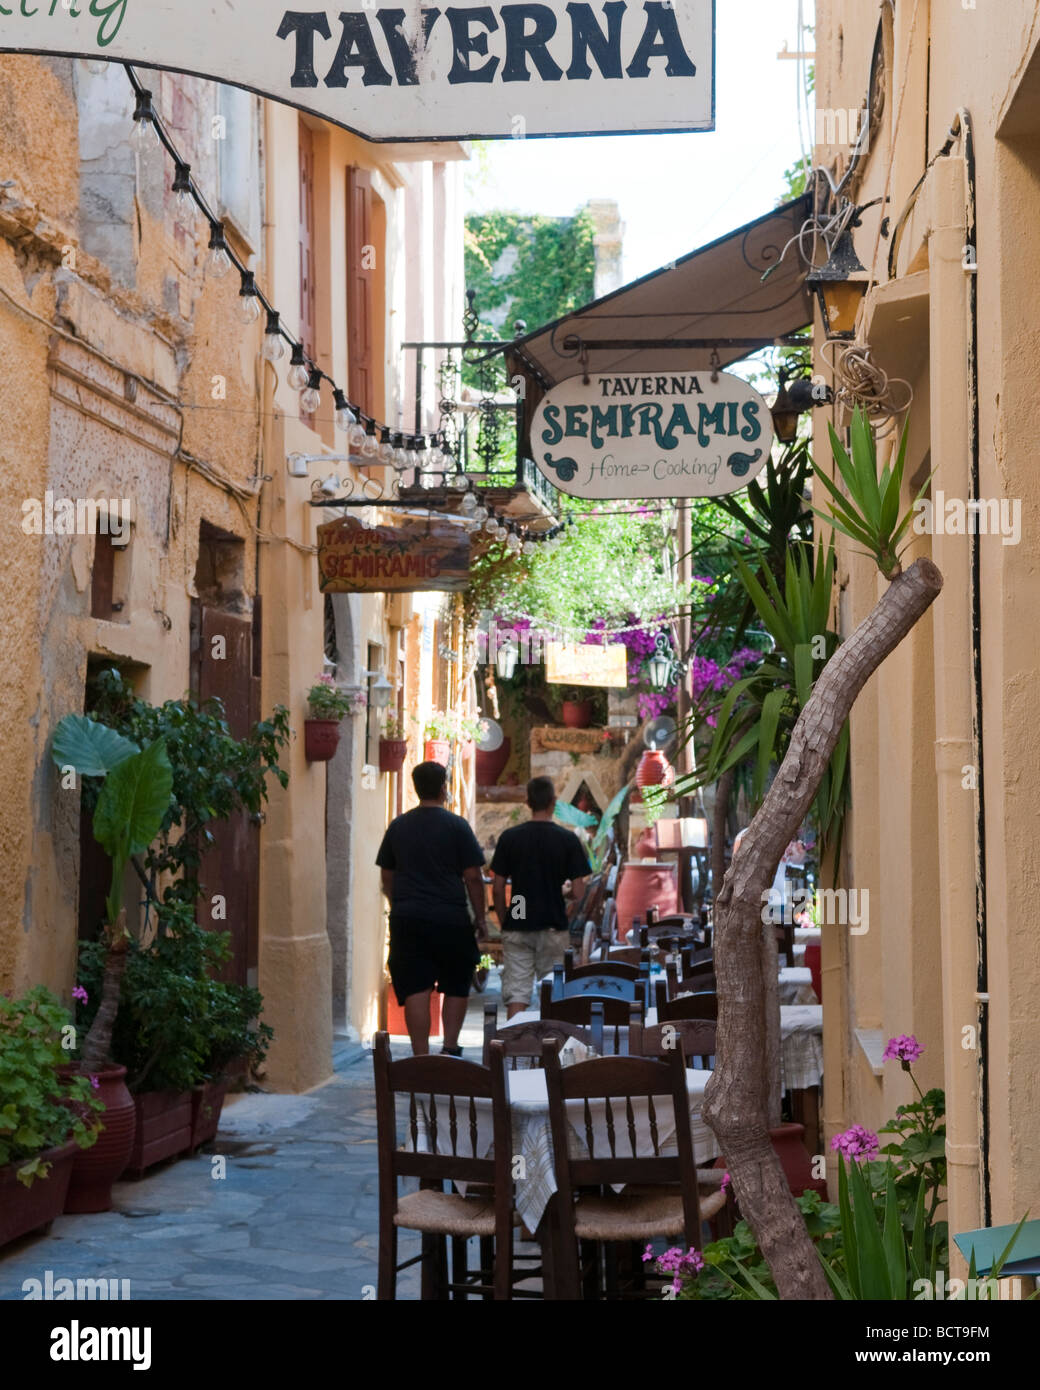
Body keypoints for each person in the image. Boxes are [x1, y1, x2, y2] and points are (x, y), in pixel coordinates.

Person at [376, 761, 486, 1057]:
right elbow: (473, 877)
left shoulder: (398, 826)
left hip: (408, 918)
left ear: (416, 788)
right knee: (457, 983)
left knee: (416, 987)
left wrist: (397, 904)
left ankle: (420, 1057)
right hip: (451, 917)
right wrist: (481, 919)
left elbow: (387, 875)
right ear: (443, 788)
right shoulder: (457, 826)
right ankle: (449, 1048)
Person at [490, 776, 591, 1019]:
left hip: (519, 912)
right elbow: (579, 892)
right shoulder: (567, 840)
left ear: (528, 802)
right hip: (552, 919)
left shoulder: (510, 837)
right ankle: (551, 1040)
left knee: (517, 993)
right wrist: (563, 893)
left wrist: (505, 919)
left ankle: (514, 1040)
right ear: (553, 802)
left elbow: (498, 887)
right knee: (553, 993)